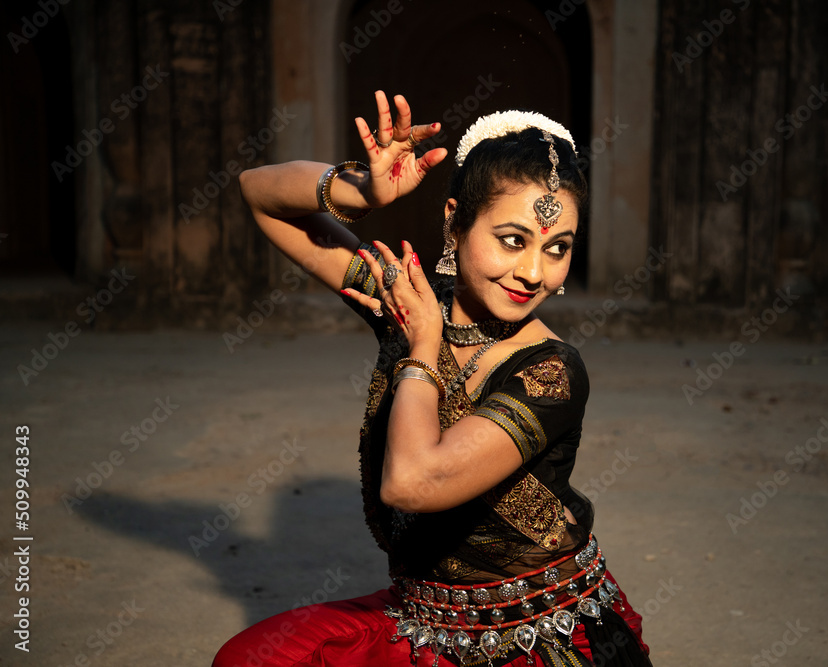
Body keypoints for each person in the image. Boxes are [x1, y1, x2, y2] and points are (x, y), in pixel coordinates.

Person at [212, 92, 653, 667]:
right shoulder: (414, 300)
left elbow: (412, 482)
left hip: (534, 636)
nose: (533, 272)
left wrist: (421, 348)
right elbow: (259, 192)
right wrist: (360, 192)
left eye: (557, 248)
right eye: (513, 239)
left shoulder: (552, 371)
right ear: (454, 222)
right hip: (424, 617)